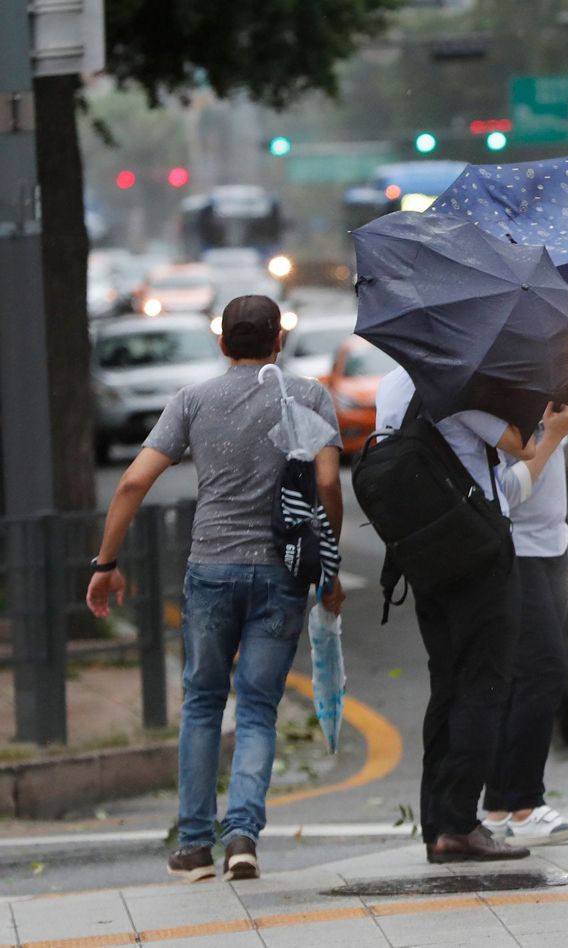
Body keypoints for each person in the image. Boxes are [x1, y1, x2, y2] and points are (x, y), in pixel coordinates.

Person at [86, 295, 345, 883]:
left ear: (223, 343)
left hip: (211, 571)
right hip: (282, 574)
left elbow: (131, 482)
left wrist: (106, 562)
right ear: (279, 340)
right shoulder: (308, 396)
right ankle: (244, 839)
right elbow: (329, 484)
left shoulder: (194, 401)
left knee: (204, 704)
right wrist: (326, 569)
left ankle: (194, 846)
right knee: (258, 709)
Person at [375, 365, 538, 863]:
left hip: (425, 551)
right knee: (484, 683)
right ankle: (461, 823)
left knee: (446, 682)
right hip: (476, 549)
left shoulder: (392, 383)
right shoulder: (457, 381)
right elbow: (519, 444)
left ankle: (438, 822)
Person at [481, 402, 568, 846]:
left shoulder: (541, 392)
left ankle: (498, 808)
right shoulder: (495, 399)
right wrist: (553, 435)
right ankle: (525, 806)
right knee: (543, 670)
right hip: (517, 551)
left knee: (522, 677)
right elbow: (505, 492)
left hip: (551, 546)